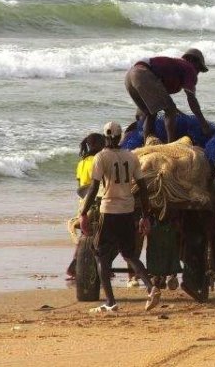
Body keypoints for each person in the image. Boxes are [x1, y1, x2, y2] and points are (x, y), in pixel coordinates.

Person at [78, 122, 160, 314]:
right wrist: (145, 215)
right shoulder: (131, 156)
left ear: (105, 137)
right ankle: (151, 287)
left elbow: (93, 189)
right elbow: (143, 188)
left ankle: (110, 301)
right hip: (127, 211)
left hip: (109, 211)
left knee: (101, 255)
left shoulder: (100, 157)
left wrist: (83, 213)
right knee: (130, 254)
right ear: (120, 136)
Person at [124, 49, 211, 142]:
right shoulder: (189, 68)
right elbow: (191, 99)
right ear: (194, 62)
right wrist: (203, 123)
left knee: (150, 113)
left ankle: (147, 144)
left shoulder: (175, 67)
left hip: (130, 76)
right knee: (170, 110)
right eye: (199, 69)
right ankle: (171, 145)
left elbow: (162, 100)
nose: (197, 73)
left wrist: (178, 112)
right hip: (143, 73)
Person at [67, 132, 106, 281]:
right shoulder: (97, 161)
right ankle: (88, 267)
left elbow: (80, 187)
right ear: (98, 145)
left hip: (83, 203)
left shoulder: (81, 162)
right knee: (98, 236)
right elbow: (99, 185)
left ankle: (77, 266)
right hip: (95, 202)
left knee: (86, 236)